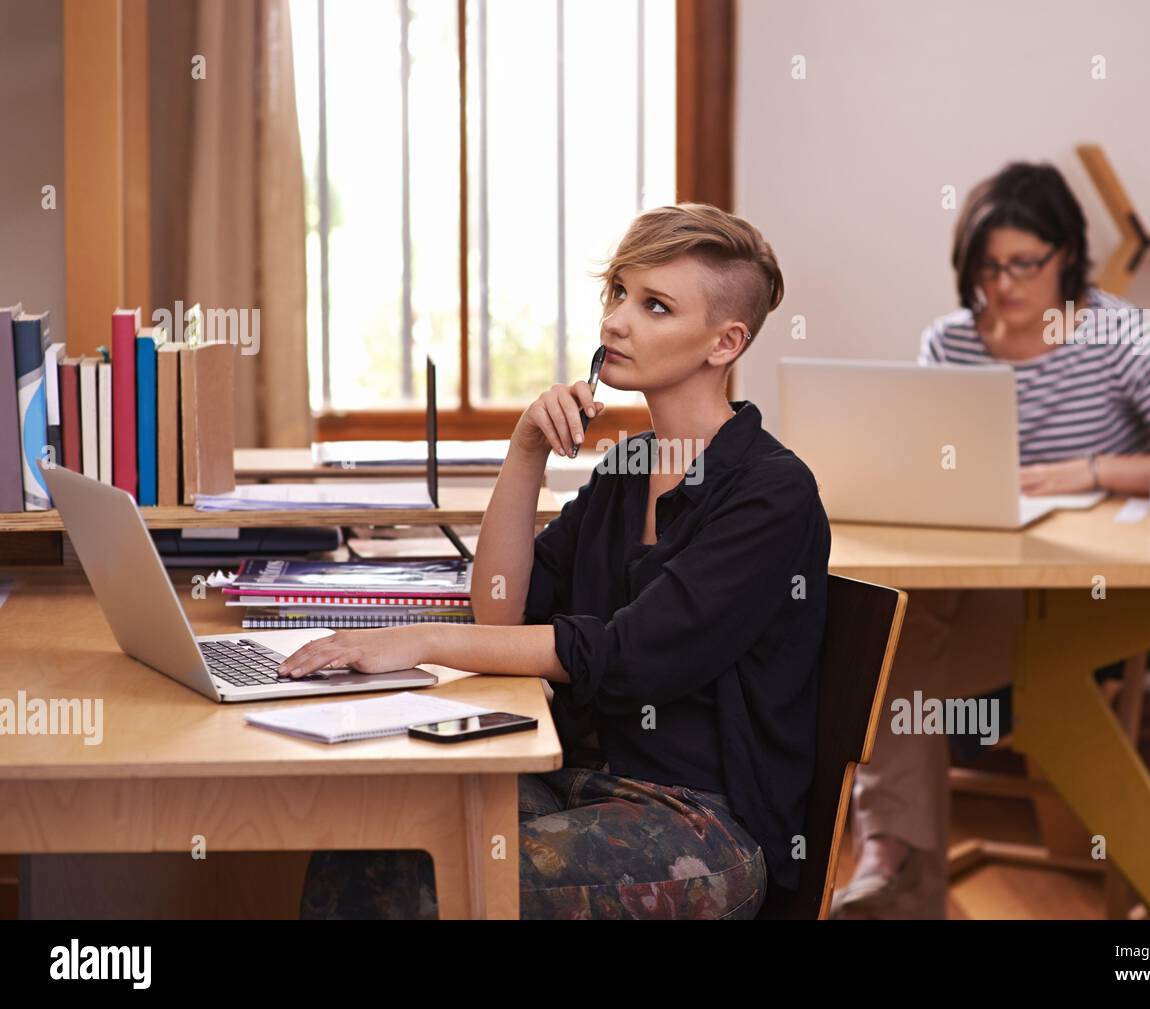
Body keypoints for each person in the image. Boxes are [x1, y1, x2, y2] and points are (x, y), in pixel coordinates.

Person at [280, 203, 832, 919]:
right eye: (618, 293)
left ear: (724, 342)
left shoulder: (772, 493)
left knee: (412, 886)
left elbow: (629, 652)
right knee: (365, 843)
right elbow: (501, 604)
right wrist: (524, 453)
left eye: (654, 305)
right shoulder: (630, 467)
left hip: (701, 822)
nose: (616, 322)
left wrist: (419, 638)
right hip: (580, 777)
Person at [832, 162, 1150, 919]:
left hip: (1078, 596)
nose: (1006, 283)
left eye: (1025, 262)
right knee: (892, 616)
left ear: (1067, 256)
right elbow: (927, 468)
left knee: (887, 643)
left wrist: (1088, 470)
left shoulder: (1114, 333)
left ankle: (893, 863)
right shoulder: (951, 342)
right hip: (971, 582)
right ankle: (897, 862)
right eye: (989, 265)